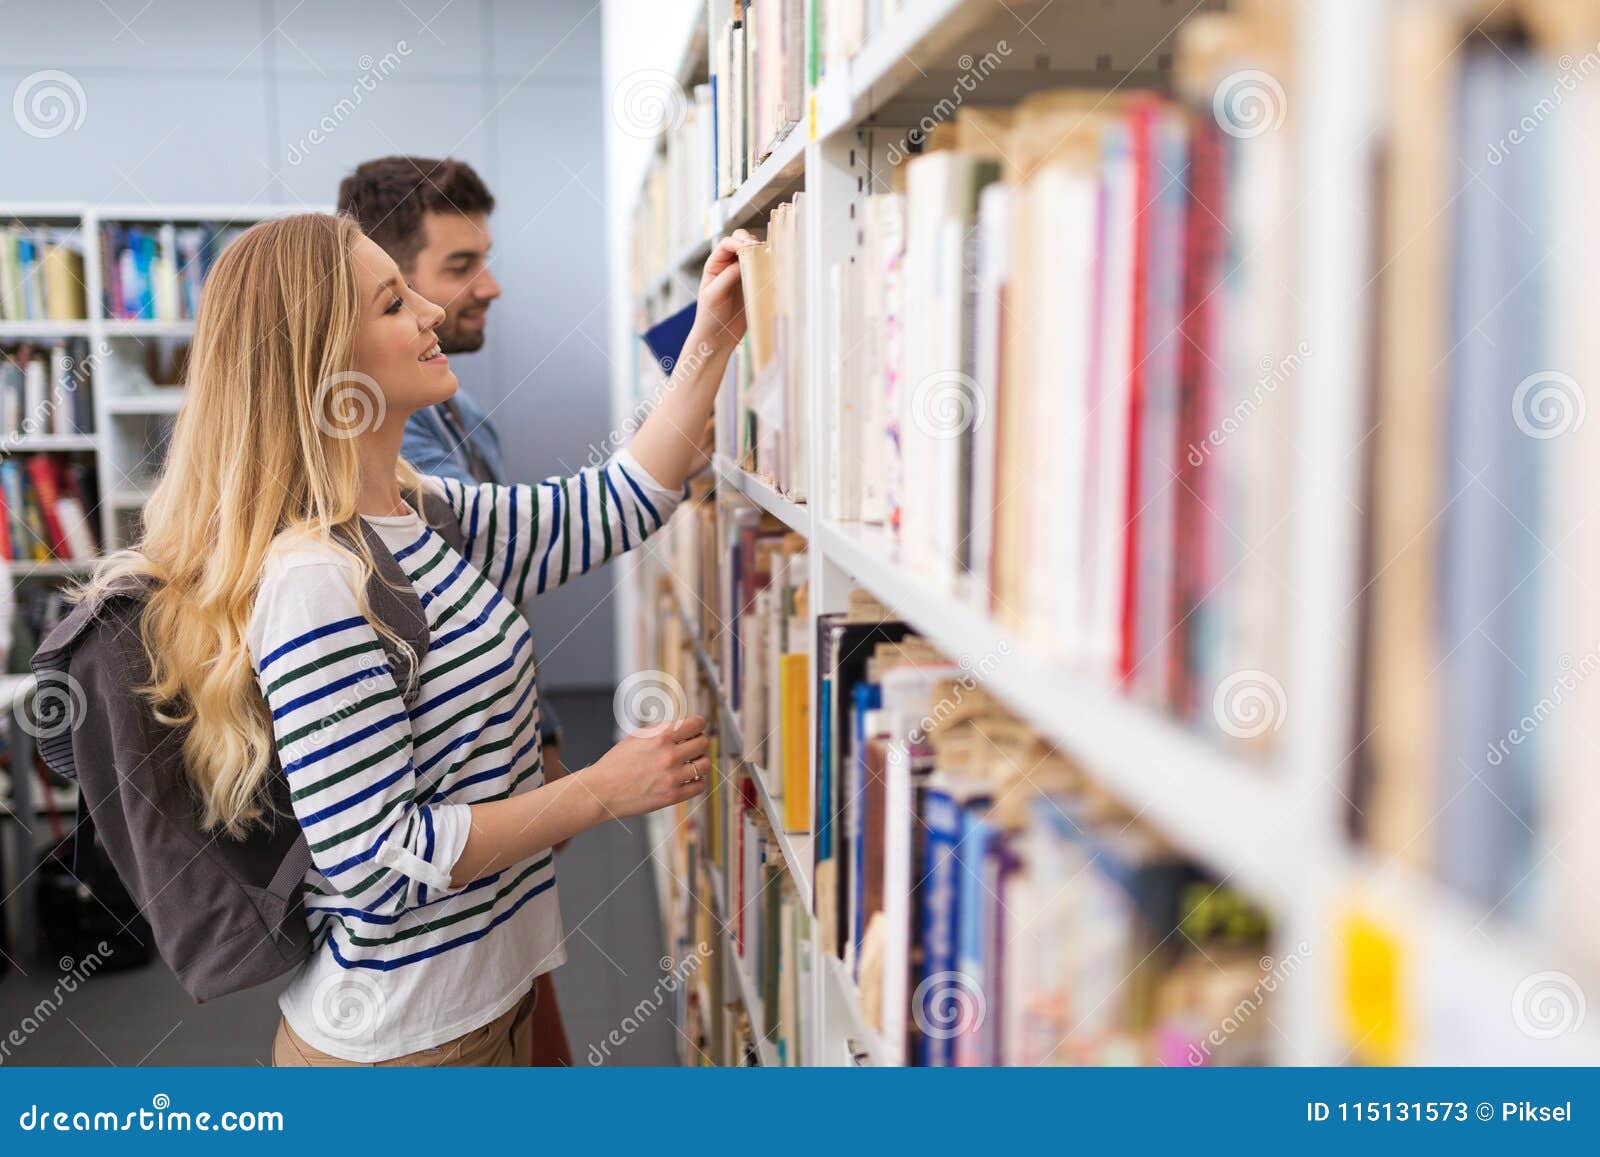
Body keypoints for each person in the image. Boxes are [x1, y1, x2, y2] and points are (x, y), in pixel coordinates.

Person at [78, 211, 752, 1065]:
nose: (431, 313)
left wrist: (711, 341)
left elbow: (609, 504)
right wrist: (600, 792)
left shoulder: (418, 511)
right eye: (394, 303)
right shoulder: (315, 577)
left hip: (488, 999)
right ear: (326, 362)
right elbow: (380, 861)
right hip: (407, 1046)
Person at [336, 155, 583, 1062]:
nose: (479, 291)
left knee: (522, 995)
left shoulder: (457, 420)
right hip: (421, 981)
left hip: (490, 868)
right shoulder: (328, 563)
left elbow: (556, 536)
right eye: (422, 288)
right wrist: (599, 787)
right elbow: (380, 853)